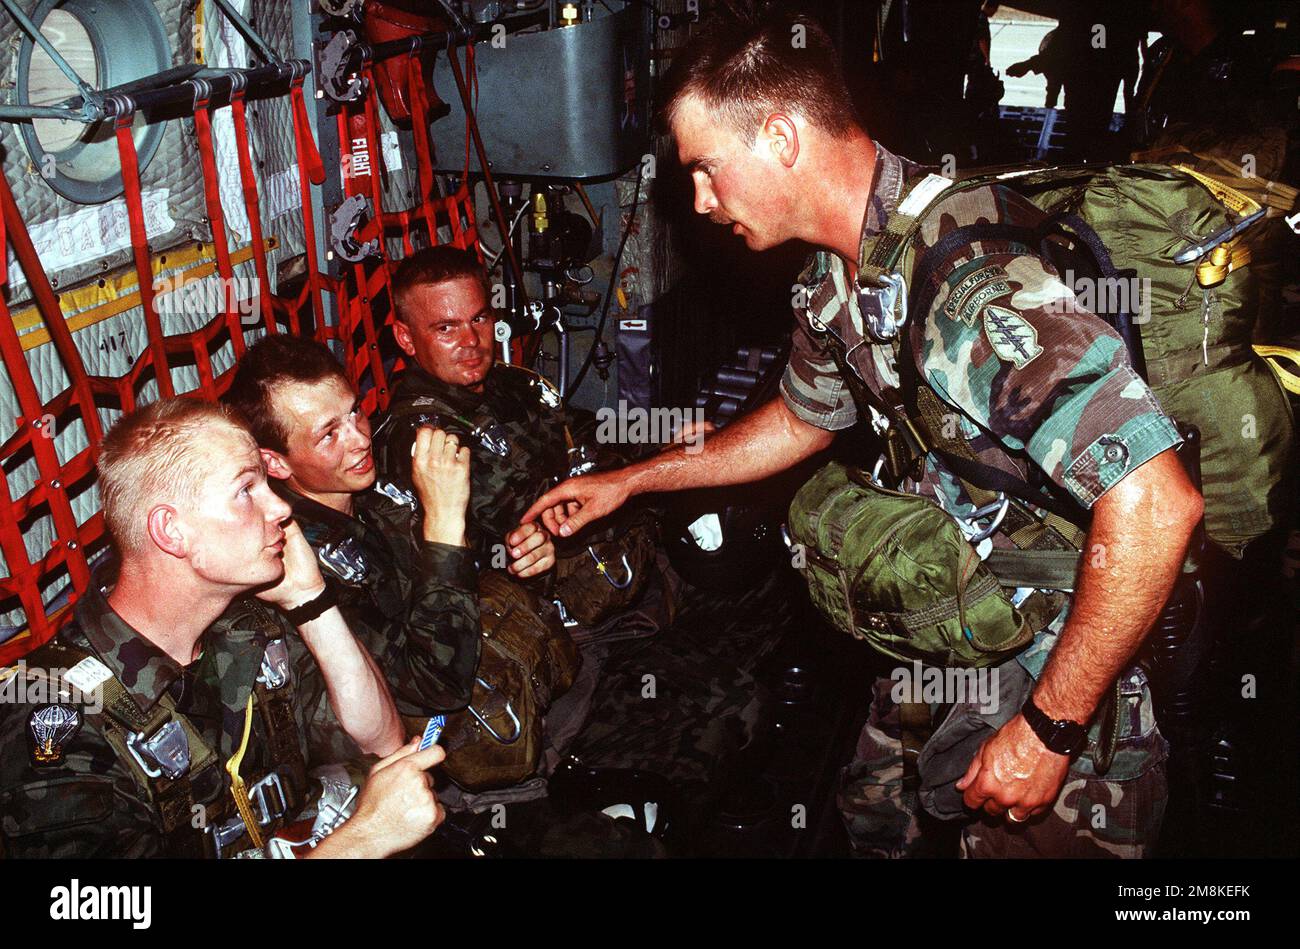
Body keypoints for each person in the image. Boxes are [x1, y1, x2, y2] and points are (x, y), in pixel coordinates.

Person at [523, 12, 1203, 858]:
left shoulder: (972, 286)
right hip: (956, 631)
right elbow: (802, 418)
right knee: (875, 811)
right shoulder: (839, 275)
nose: (699, 200)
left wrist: (1048, 730)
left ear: (780, 137)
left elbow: (1156, 503)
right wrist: (629, 481)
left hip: (1063, 667)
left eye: (705, 168)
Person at [0, 399, 446, 858]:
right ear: (171, 531)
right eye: (246, 489)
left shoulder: (247, 629)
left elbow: (380, 746)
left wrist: (310, 601)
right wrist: (359, 845)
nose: (281, 507)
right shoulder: (56, 720)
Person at [225, 334, 492, 722]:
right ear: (276, 463)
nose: (360, 439)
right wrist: (444, 523)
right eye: (329, 434)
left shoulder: (371, 489)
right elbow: (439, 685)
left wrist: (524, 549)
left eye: (354, 412)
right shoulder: (298, 564)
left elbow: (469, 574)